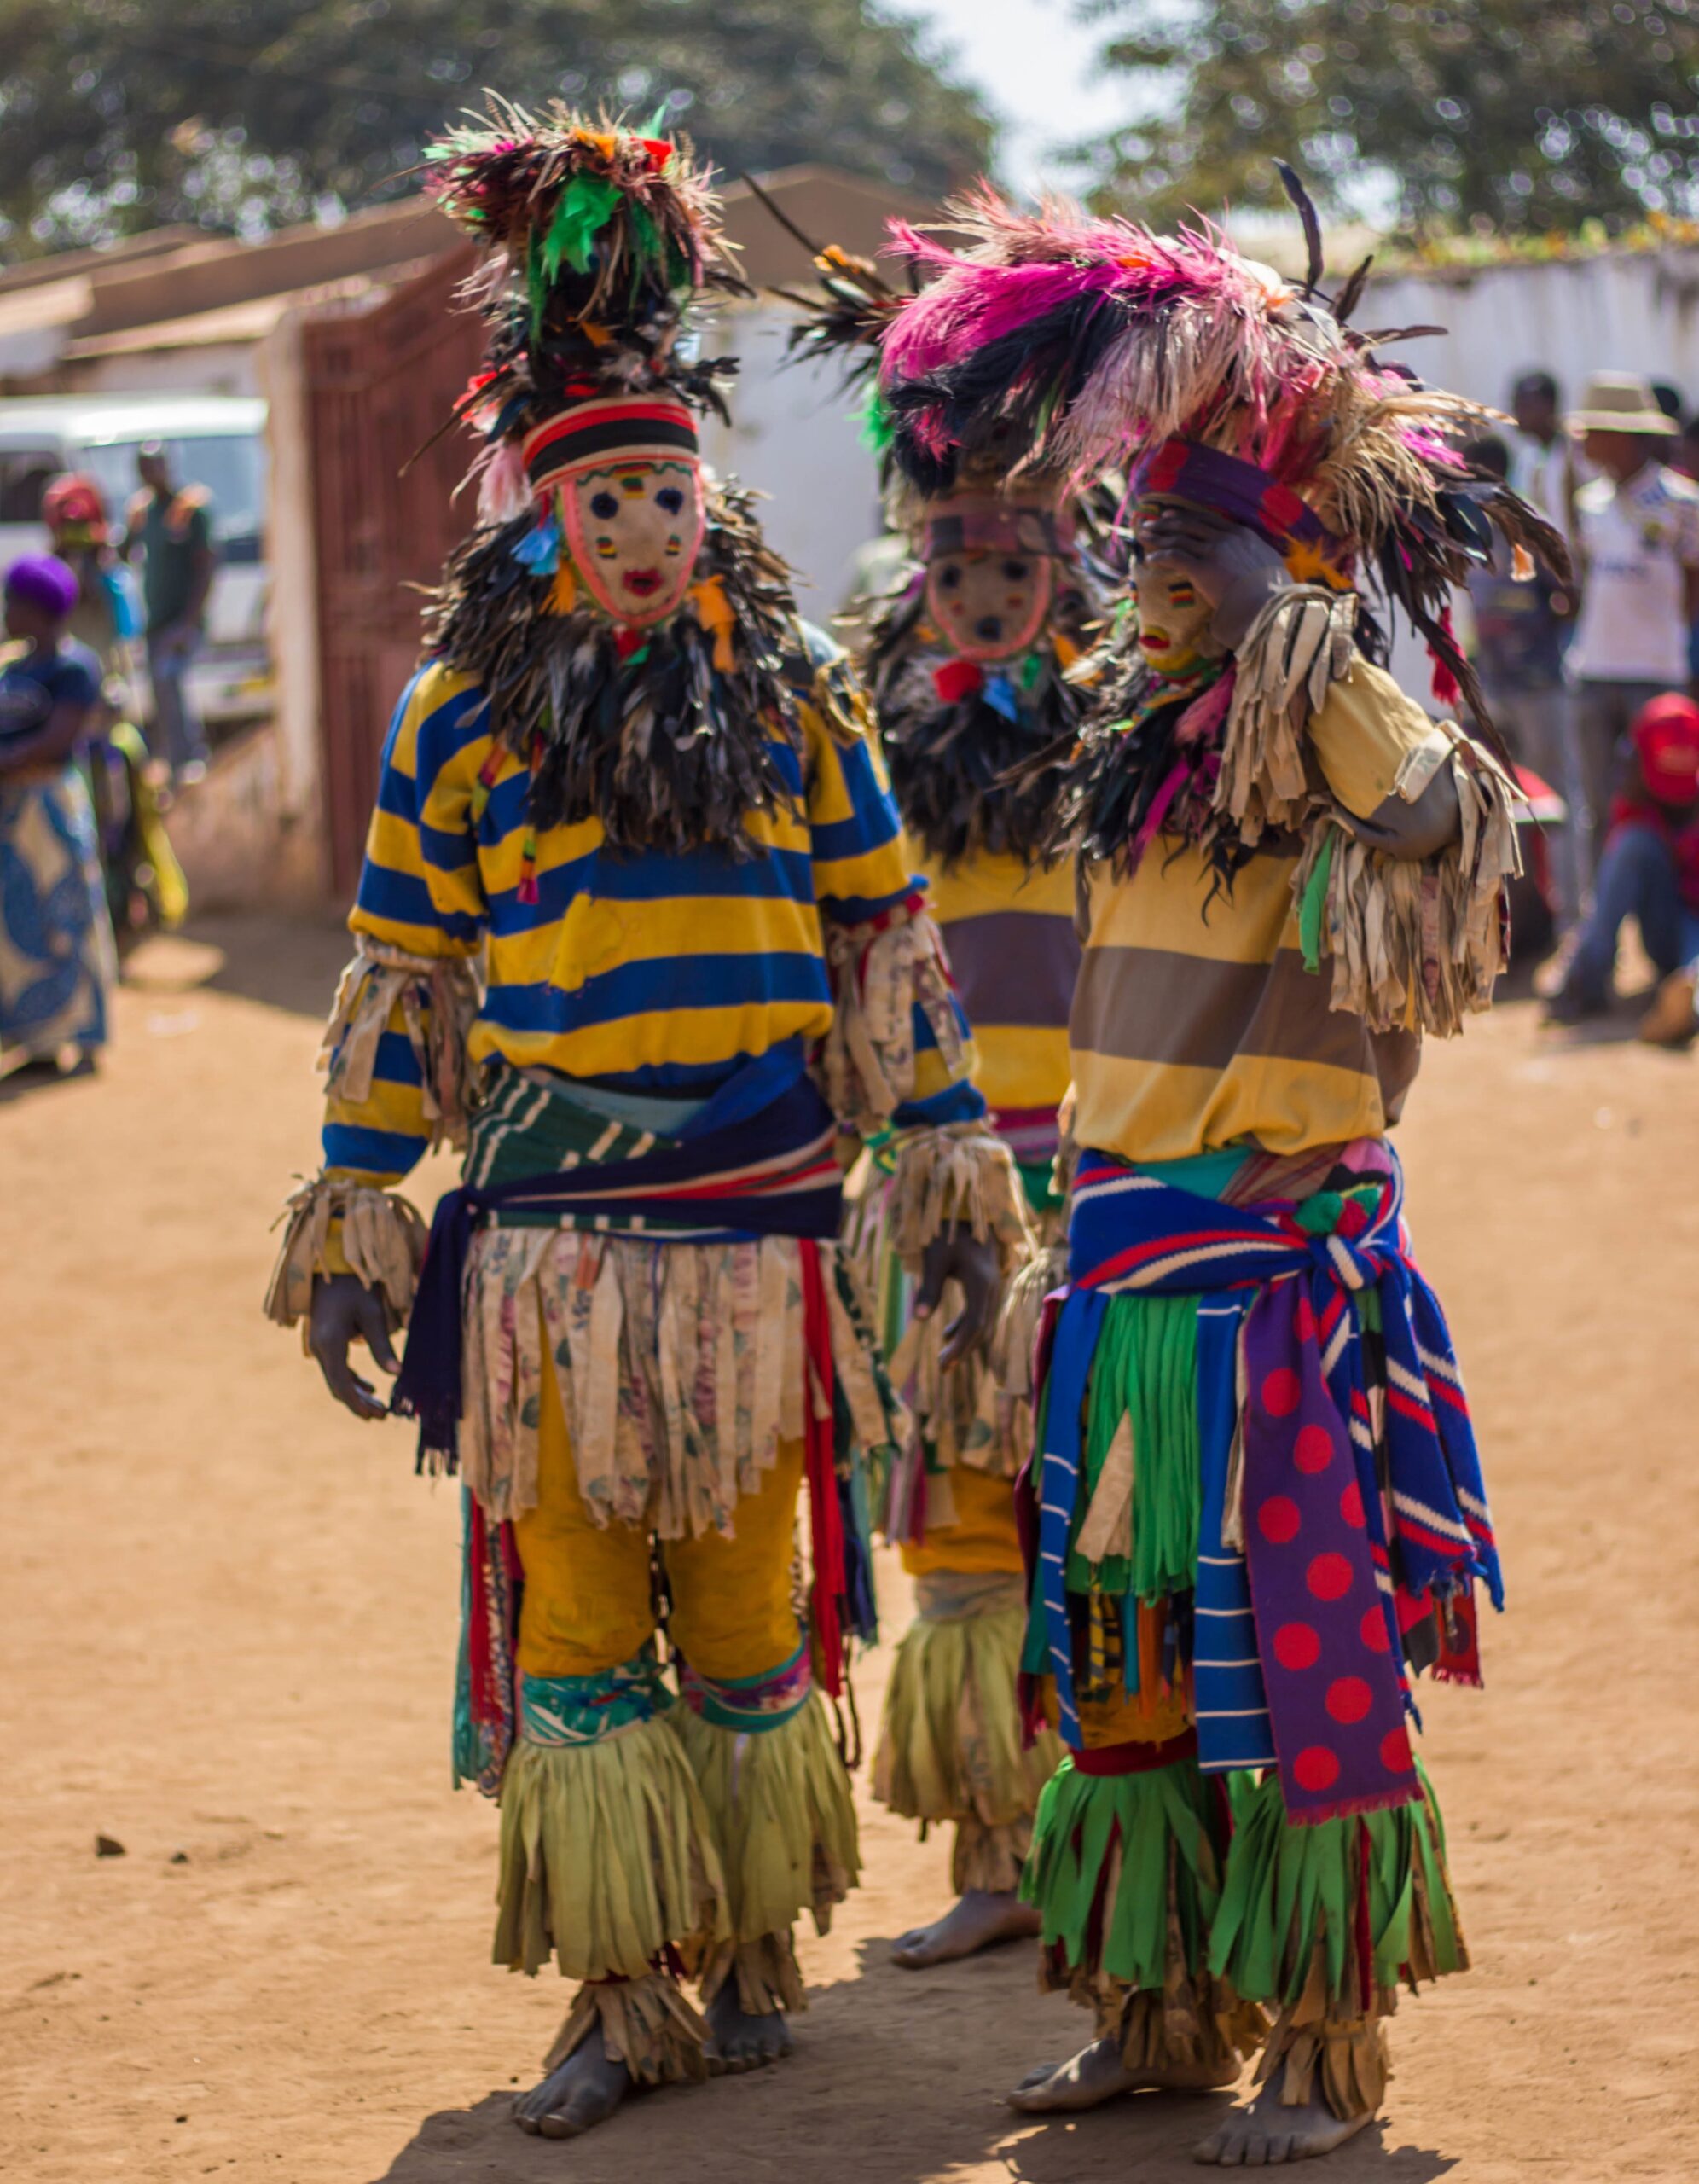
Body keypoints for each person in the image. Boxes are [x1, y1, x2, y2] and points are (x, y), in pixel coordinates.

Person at [263, 113, 1018, 2143]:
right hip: (552, 1239)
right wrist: (355, 1207)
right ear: (546, 515)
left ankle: (755, 1928)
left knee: (758, 1603)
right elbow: (405, 968)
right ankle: (622, 1981)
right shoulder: (459, 716)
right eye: (610, 493)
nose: (650, 522)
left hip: (758, 1222)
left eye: (673, 486)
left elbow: (884, 931)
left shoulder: (797, 694)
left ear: (712, 494)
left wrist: (951, 1169)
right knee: (580, 1613)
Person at [877, 184, 1546, 2164]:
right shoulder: (1141, 742)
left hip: (1267, 1284)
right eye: (1147, 541)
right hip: (1120, 1273)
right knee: (1127, 1676)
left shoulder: (1330, 719)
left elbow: (1443, 815)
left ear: (1285, 563)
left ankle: (1323, 2047)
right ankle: (1158, 2013)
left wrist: (1291, 627)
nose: (1153, 572)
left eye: (1196, 545)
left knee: (1305, 1673)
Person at [777, 238, 1105, 1969]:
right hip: (938, 1165)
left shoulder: (1138, 711)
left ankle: (1119, 1831)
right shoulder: (863, 723)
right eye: (957, 559)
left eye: (1017, 559)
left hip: (1113, 1165)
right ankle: (999, 1840)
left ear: (1071, 552)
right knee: (960, 1493)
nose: (985, 591)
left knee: (1108, 1496)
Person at [1564, 373, 1699, 871]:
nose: (1584, 442)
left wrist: (1676, 644)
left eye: (1593, 431)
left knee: (1671, 795)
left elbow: (1693, 583)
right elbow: (1585, 579)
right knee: (1598, 802)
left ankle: (1673, 901)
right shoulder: (1589, 503)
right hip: (1595, 670)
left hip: (1657, 673)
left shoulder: (1683, 502)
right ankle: (1603, 905)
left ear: (1621, 435)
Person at [1459, 433, 1585, 928]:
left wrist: (1533, 633)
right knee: (1497, 803)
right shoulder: (1467, 527)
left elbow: (1569, 595)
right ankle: (1521, 918)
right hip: (1490, 687)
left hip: (1538, 685)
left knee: (1554, 801)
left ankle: (1569, 919)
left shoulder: (1530, 526)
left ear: (1490, 471)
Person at [0, 555, 117, 1079]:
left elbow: (56, 739)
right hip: (11, 814)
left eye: (12, 603)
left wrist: (6, 761)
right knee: (20, 919)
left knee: (69, 913)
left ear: (37, 608)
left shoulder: (74, 668)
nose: (6, 613)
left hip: (50, 805)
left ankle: (85, 1037)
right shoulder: (12, 669)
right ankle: (40, 1043)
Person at [1547, 690, 1699, 1043]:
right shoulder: (1635, 805)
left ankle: (1687, 1005)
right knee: (1630, 845)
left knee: (1695, 959)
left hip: (1694, 928)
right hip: (1665, 927)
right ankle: (1584, 978)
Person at [122, 441, 215, 781]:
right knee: (158, 692)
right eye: (145, 467)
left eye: (156, 465)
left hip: (182, 620)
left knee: (170, 677)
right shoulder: (143, 512)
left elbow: (206, 568)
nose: (151, 473)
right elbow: (123, 552)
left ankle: (190, 758)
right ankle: (171, 764)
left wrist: (188, 622)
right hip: (156, 621)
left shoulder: (189, 508)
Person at [1507, 369, 1580, 547]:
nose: (1517, 413)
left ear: (1550, 406)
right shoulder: (1527, 458)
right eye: (1516, 405)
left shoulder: (1575, 452)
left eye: (1526, 406)